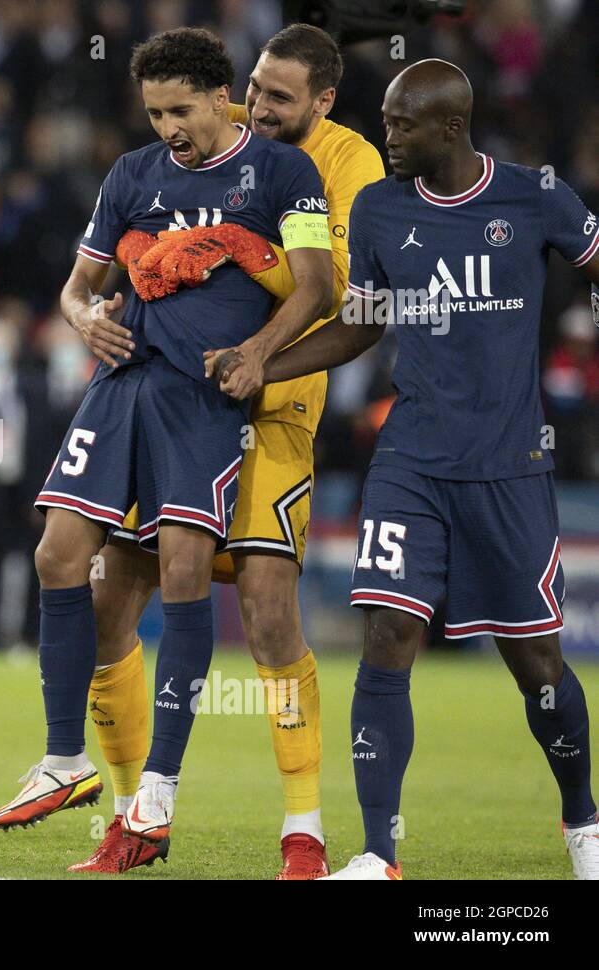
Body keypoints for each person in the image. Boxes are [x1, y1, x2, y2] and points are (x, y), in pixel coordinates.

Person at [226, 59, 599, 880]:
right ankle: (378, 853)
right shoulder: (378, 207)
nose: (385, 137)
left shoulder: (533, 197)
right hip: (412, 463)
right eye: (384, 123)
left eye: (400, 125)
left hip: (508, 468)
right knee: (388, 635)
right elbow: (361, 326)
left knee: (535, 665)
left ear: (450, 128)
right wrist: (263, 359)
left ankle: (583, 824)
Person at [0, 28, 333, 864]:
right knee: (56, 555)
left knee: (182, 572)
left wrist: (256, 354)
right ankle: (65, 760)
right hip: (121, 385)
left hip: (203, 398)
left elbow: (319, 286)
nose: (168, 126)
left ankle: (156, 796)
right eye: (153, 111)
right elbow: (77, 288)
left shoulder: (283, 172)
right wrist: (85, 321)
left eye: (180, 110)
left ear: (223, 99)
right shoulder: (133, 174)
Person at [70, 23, 384, 877]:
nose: (259, 106)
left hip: (275, 409)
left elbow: (342, 296)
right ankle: (137, 810)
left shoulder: (347, 166)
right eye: (253, 88)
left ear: (322, 102)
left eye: (281, 97)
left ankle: (304, 830)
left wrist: (232, 264)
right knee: (110, 600)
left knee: (271, 612)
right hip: (177, 400)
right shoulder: (198, 149)